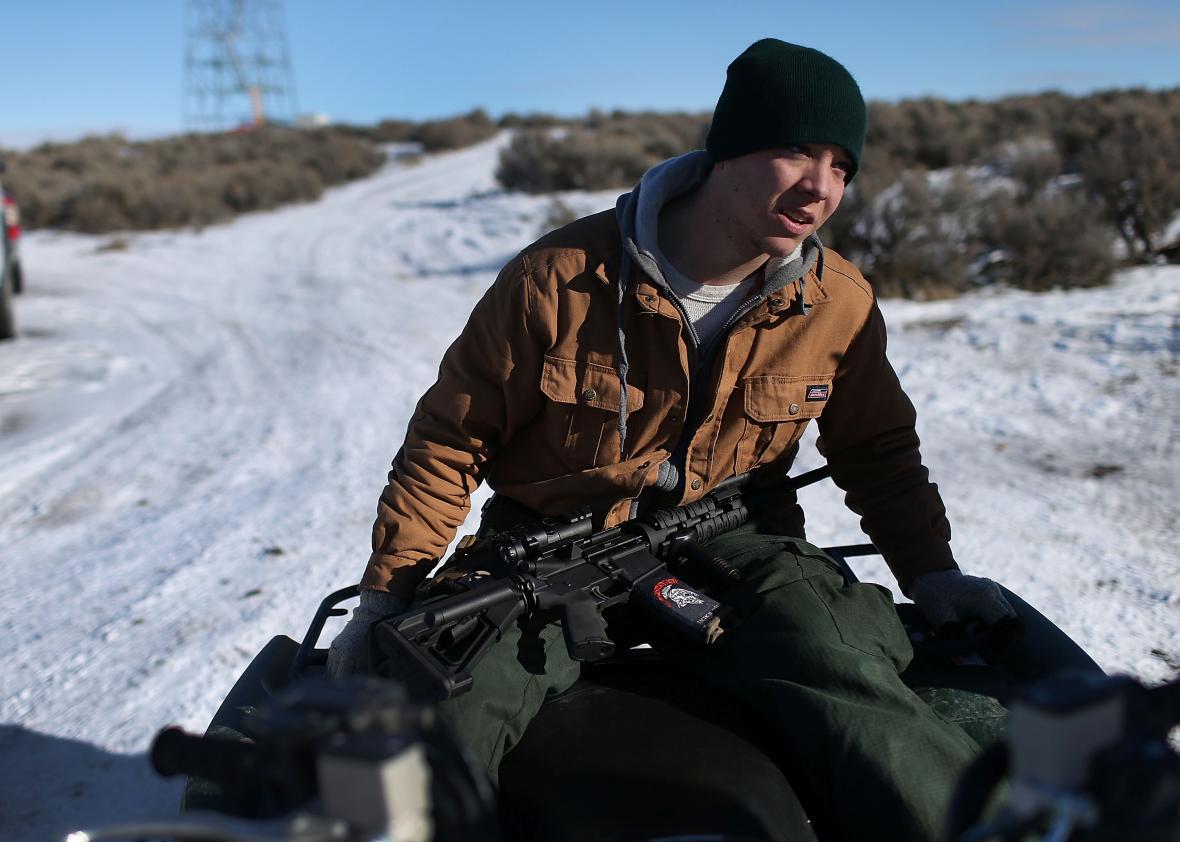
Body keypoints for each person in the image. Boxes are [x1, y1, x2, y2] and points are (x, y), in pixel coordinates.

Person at [329, 38, 1016, 842]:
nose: (821, 187)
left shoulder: (838, 302)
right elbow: (449, 443)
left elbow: (879, 453)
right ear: (728, 150)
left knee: (844, 674)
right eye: (798, 151)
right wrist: (387, 595)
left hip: (735, 537)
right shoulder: (559, 277)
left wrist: (930, 572)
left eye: (842, 166)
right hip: (550, 548)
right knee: (447, 706)